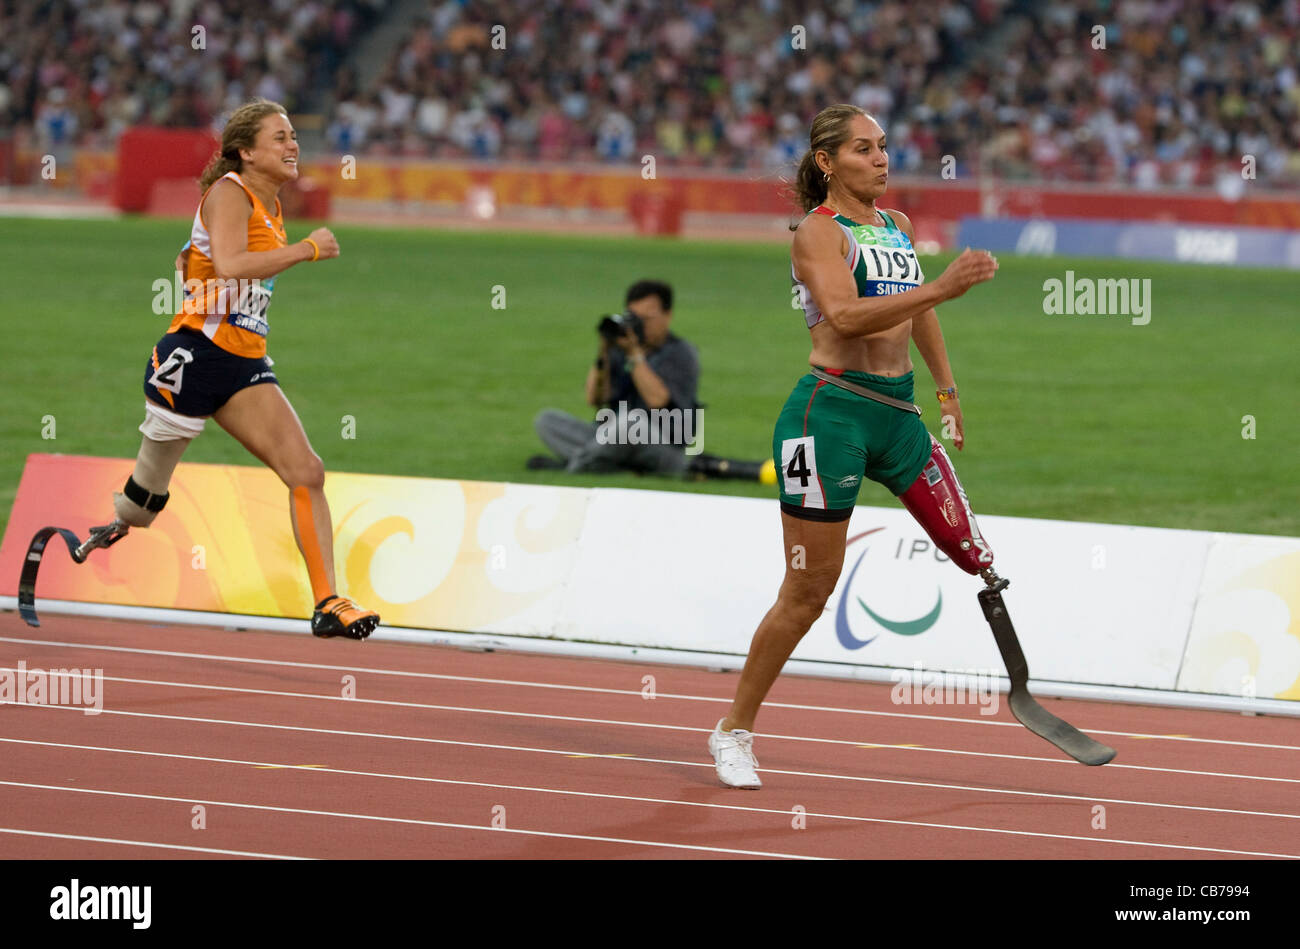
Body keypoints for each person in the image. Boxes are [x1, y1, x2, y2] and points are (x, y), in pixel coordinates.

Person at [708, 104, 999, 787]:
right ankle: (733, 730)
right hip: (827, 418)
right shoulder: (818, 234)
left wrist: (948, 391)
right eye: (865, 149)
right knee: (809, 589)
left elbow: (916, 310)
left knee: (975, 553)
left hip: (898, 417)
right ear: (828, 162)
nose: (882, 158)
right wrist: (940, 285)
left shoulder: (896, 227)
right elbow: (842, 314)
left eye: (885, 146)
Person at [75, 98, 380, 640]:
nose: (293, 145)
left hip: (242, 365)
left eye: (293, 136)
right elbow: (235, 264)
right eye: (280, 137)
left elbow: (202, 262)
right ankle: (115, 526)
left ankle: (329, 601)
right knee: (145, 500)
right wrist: (308, 250)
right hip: (193, 359)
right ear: (245, 152)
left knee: (306, 471)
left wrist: (192, 264)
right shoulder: (229, 192)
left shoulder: (269, 204)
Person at [531, 280, 702, 476]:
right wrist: (603, 352)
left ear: (668, 315)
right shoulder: (620, 349)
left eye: (647, 318)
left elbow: (658, 401)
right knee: (547, 420)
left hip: (663, 445)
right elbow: (595, 398)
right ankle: (613, 466)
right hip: (614, 437)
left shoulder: (681, 353)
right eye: (635, 318)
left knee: (630, 423)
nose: (641, 325)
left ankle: (580, 465)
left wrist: (635, 356)